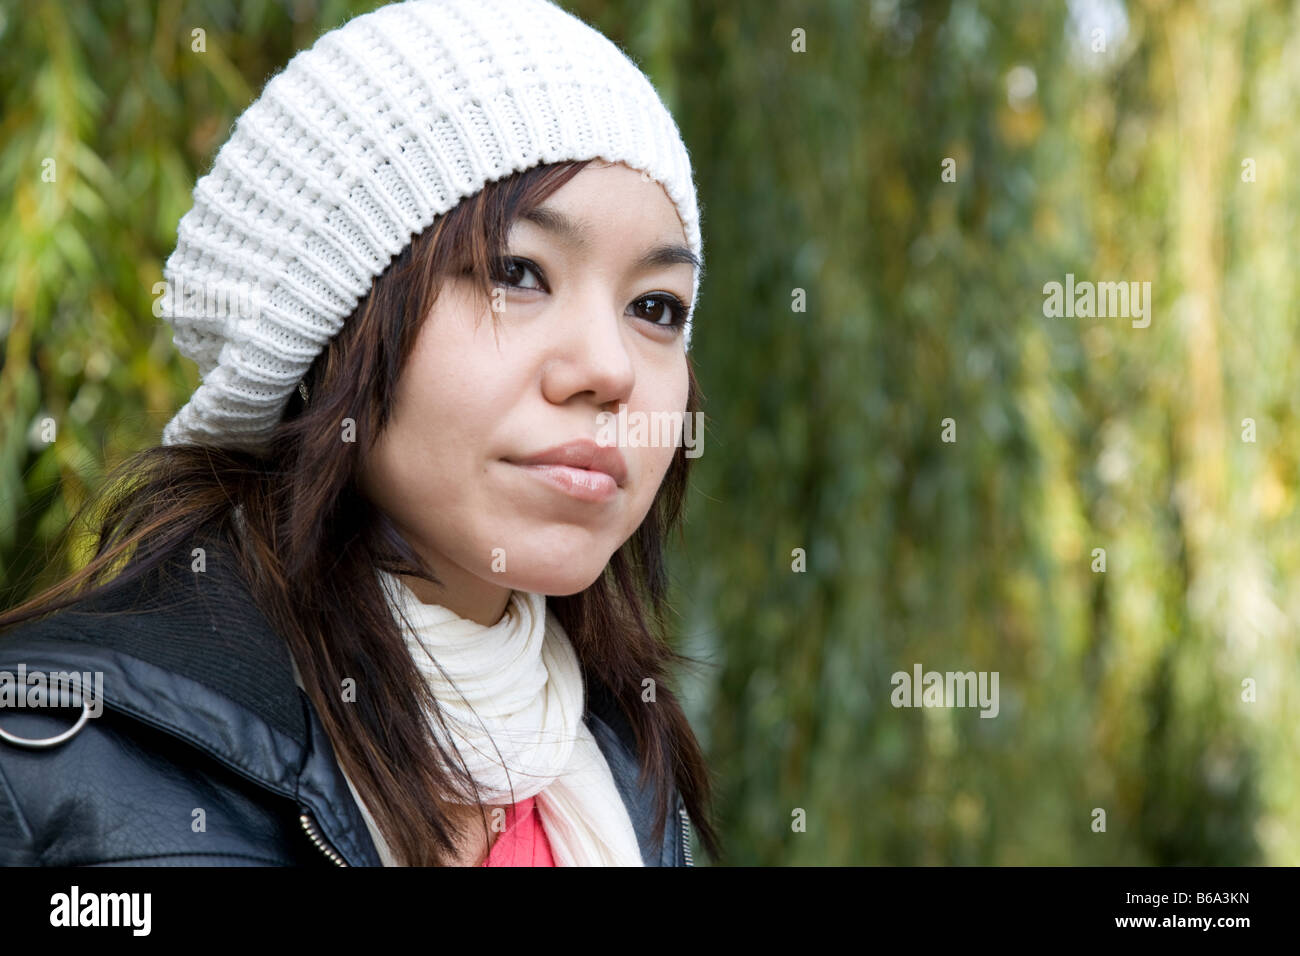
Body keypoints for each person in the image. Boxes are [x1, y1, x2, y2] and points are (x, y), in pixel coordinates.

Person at [0, 0, 720, 867]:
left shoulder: (628, 773)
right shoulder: (53, 761)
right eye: (517, 274)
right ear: (327, 325)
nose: (608, 369)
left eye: (655, 307)